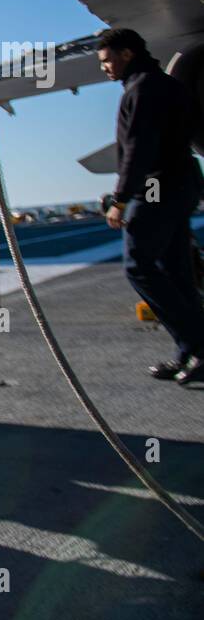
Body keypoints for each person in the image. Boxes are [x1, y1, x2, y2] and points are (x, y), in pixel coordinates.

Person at [98, 28, 204, 385]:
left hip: (157, 184)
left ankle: (199, 346)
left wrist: (120, 199)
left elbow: (138, 150)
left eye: (107, 60)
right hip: (184, 181)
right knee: (176, 271)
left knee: (138, 265)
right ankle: (188, 353)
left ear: (126, 54)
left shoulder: (141, 89)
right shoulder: (169, 84)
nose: (105, 68)